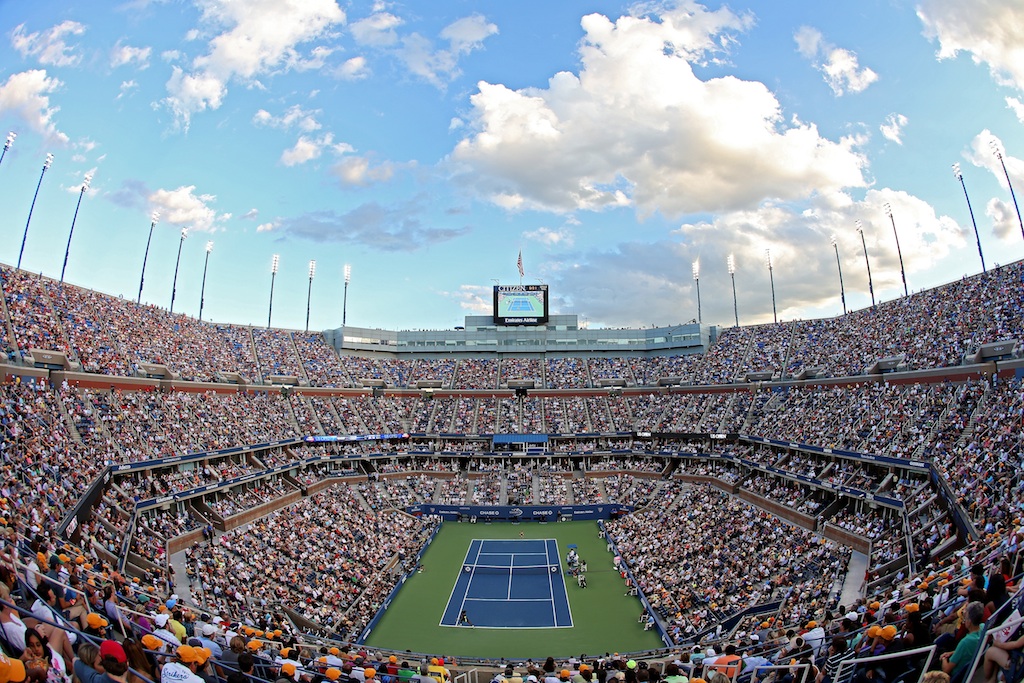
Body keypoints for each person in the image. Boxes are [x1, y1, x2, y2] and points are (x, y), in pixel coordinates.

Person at [939, 602, 985, 676]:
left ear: (969, 621)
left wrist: (943, 658)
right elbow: (964, 651)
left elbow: (946, 670)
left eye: (965, 618)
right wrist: (951, 653)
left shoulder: (965, 642)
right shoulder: (983, 627)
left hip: (955, 675)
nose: (964, 621)